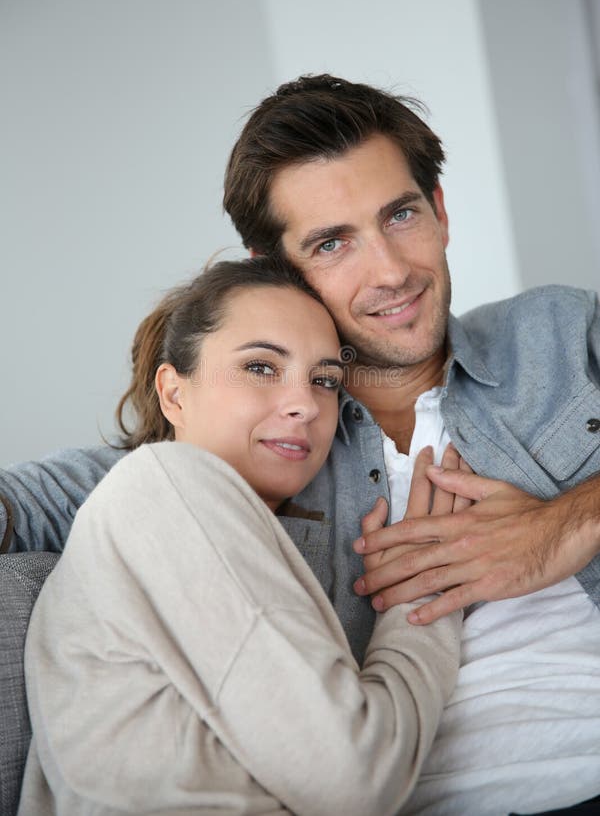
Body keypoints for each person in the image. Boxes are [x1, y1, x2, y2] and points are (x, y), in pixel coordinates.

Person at [3, 73, 600, 813]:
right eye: (331, 242)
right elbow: (40, 504)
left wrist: (563, 525)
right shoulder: (254, 455)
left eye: (401, 215)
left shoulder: (561, 335)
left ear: (440, 211)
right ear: (275, 265)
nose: (389, 271)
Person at [17, 256, 461, 816]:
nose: (305, 403)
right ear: (174, 395)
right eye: (260, 367)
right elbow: (354, 778)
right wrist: (423, 595)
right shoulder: (166, 487)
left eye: (325, 380)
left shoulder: (240, 532)